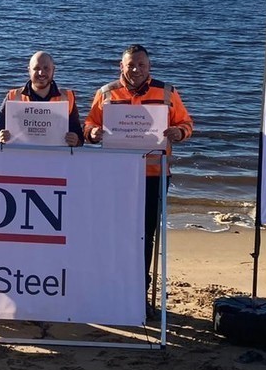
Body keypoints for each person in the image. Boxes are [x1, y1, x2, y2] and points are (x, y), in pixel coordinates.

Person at [83, 44, 193, 300]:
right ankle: (111, 284)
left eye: (141, 65)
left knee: (146, 234)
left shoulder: (167, 92)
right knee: (113, 232)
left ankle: (138, 290)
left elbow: (186, 122)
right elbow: (89, 124)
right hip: (115, 176)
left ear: (149, 67)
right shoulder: (106, 93)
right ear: (121, 66)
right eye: (131, 64)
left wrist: (179, 132)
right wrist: (93, 133)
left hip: (154, 176)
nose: (136, 69)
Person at [0, 50, 83, 147]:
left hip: (57, 156)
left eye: (46, 68)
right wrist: (0, 138)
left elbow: (80, 139)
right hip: (21, 155)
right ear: (29, 71)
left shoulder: (67, 97)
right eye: (36, 68)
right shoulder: (13, 96)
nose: (41, 72)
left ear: (53, 70)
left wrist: (75, 140)